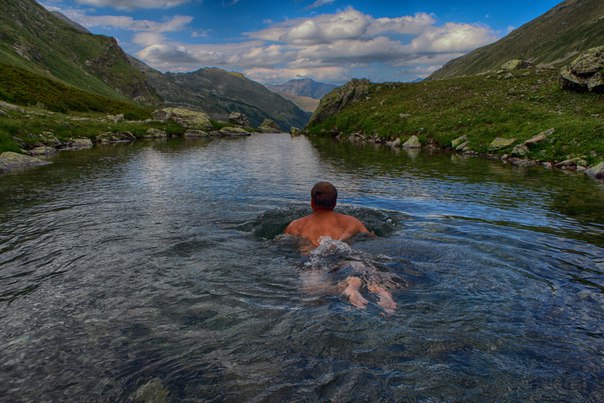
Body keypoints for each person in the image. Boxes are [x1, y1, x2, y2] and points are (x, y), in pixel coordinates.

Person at [284, 182, 397, 312]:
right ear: (335, 203)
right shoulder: (352, 222)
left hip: (313, 260)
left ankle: (346, 288)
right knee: (368, 273)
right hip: (345, 257)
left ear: (312, 202)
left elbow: (281, 241)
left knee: (312, 290)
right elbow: (372, 238)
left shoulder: (296, 225)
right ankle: (378, 290)